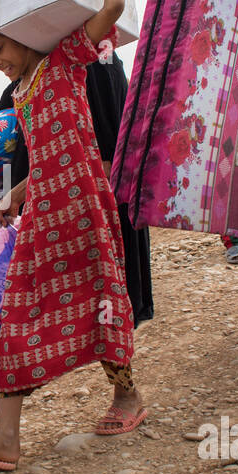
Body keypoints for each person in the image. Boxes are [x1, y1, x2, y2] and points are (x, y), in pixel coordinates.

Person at [0, 0, 141, 471]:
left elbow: (115, 6)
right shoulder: (26, 90)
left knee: (102, 298)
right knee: (20, 312)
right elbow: (46, 157)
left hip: (84, 206)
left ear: (24, 34)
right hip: (46, 213)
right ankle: (6, 438)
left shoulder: (67, 58)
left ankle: (127, 396)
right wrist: (14, 193)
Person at [84, 54, 154, 325]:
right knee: (127, 235)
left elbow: (104, 119)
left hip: (109, 167)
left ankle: (121, 315)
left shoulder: (90, 61)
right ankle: (131, 308)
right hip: (122, 164)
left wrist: (105, 164)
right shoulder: (109, 58)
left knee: (118, 238)